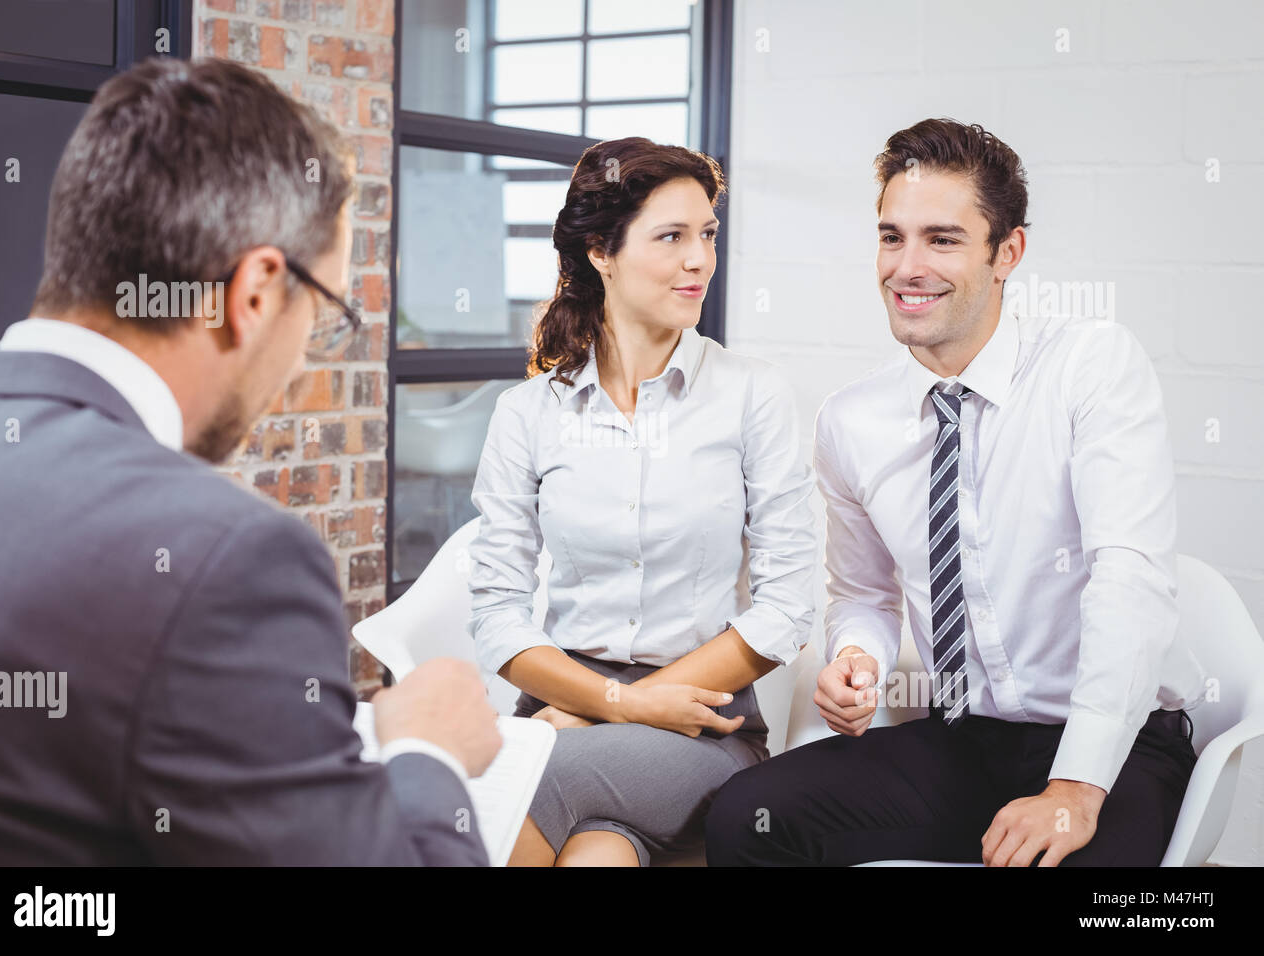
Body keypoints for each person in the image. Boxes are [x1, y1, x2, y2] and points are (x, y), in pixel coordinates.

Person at [0, 57, 500, 865]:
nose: (305, 359)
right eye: (322, 314)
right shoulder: (228, 561)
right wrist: (429, 752)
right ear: (254, 293)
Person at [706, 118, 1206, 867]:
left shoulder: (1091, 367)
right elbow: (864, 593)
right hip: (966, 742)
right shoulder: (851, 420)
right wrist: (857, 658)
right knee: (748, 818)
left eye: (942, 240)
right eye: (892, 237)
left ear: (1008, 253)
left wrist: (1074, 788)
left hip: (1114, 745)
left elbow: (1130, 580)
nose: (907, 268)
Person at [467, 137, 818, 867]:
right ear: (601, 251)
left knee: (514, 780)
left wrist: (623, 707)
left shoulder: (753, 394)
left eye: (707, 235)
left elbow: (787, 608)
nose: (700, 261)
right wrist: (611, 705)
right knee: (597, 854)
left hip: (704, 723)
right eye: (672, 237)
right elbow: (497, 613)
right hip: (559, 709)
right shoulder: (527, 413)